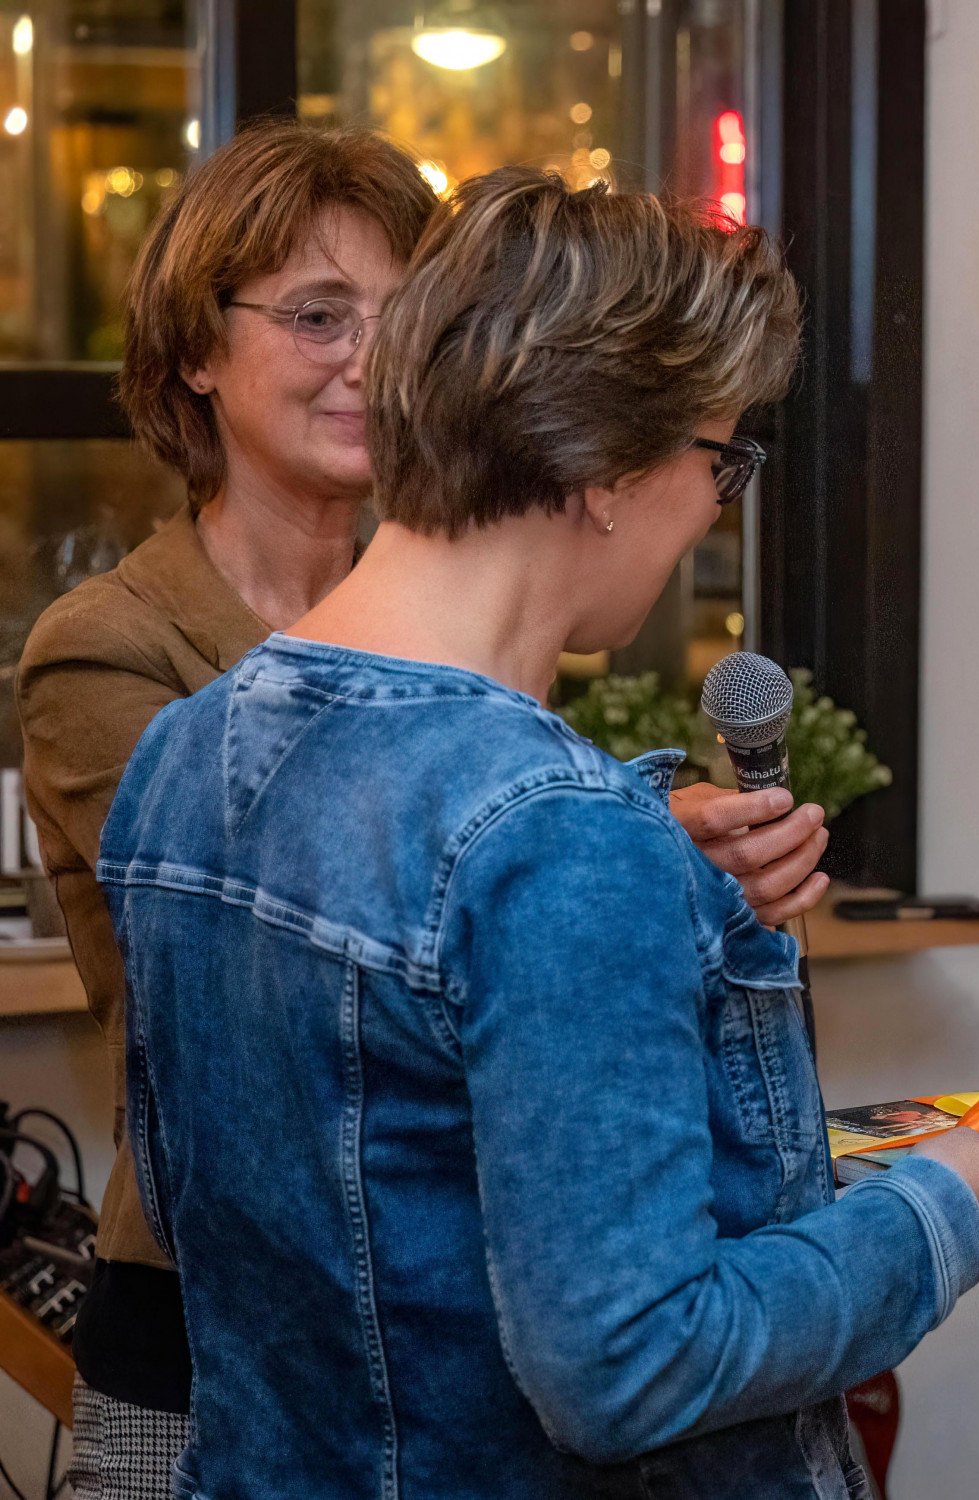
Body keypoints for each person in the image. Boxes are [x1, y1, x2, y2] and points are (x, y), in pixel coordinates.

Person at [95, 166, 979, 1498]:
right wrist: (944, 1211)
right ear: (611, 464)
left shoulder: (189, 745)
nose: (712, 508)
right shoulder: (552, 835)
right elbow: (635, 1364)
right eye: (720, 458)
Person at [17, 122, 833, 1498]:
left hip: (425, 1324)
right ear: (197, 353)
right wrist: (591, 852)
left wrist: (634, 838)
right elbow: (357, 902)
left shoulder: (463, 649)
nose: (366, 359)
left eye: (402, 320)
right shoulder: (126, 656)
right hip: (230, 1323)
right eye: (317, 315)